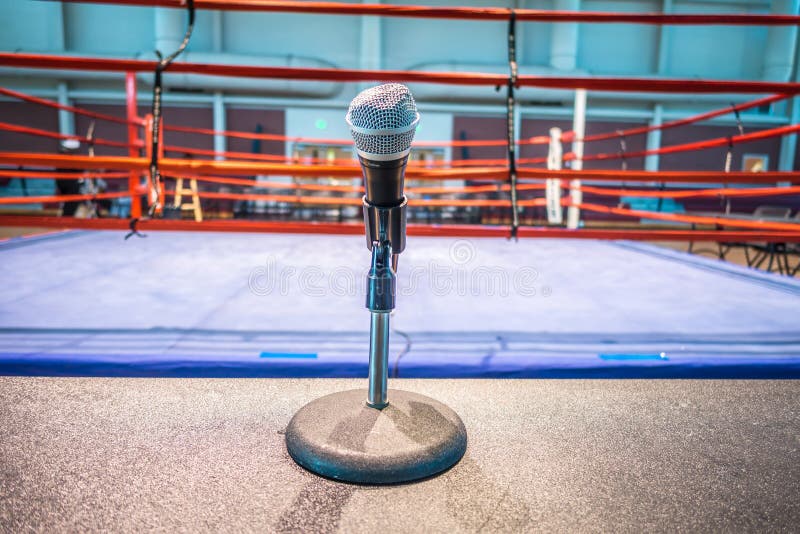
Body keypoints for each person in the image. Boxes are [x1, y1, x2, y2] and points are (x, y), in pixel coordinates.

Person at [55, 139, 83, 216]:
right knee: (73, 198)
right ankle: (67, 218)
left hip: (69, 184)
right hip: (68, 184)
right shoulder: (64, 158)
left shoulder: (66, 157)